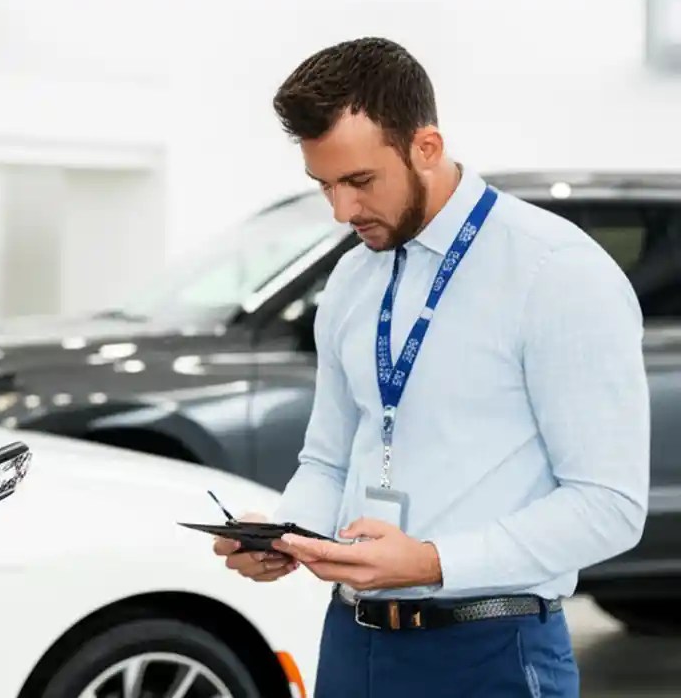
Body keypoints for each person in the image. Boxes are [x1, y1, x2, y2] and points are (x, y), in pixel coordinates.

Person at [213, 37, 649, 697]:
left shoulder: (555, 271)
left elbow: (609, 505)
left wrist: (431, 562)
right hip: (351, 643)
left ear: (427, 147)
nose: (342, 211)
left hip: (492, 651)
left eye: (359, 181)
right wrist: (289, 536)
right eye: (324, 185)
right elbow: (328, 460)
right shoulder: (352, 280)